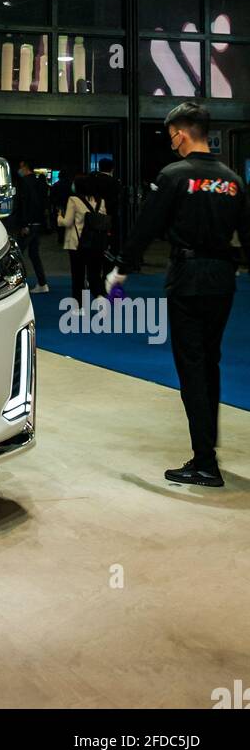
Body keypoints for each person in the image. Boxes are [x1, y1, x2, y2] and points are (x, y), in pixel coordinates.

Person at [106, 102, 250, 488]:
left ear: (180, 133)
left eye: (170, 133)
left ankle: (205, 462)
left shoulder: (174, 175)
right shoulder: (232, 179)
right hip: (222, 281)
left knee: (192, 369)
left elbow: (146, 226)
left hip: (188, 280)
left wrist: (122, 267)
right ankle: (207, 452)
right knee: (210, 364)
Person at [58, 173, 108, 308]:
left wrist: (59, 218)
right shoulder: (100, 201)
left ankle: (79, 307)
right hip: (96, 243)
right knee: (95, 273)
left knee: (78, 276)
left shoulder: (73, 200)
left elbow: (68, 222)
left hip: (77, 244)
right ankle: (99, 296)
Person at [10, 160, 49, 293]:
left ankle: (15, 283)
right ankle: (42, 283)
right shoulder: (39, 182)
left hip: (28, 224)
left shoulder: (24, 183)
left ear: (25, 167)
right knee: (33, 254)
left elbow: (25, 204)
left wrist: (24, 224)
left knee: (17, 254)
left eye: (21, 167)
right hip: (37, 223)